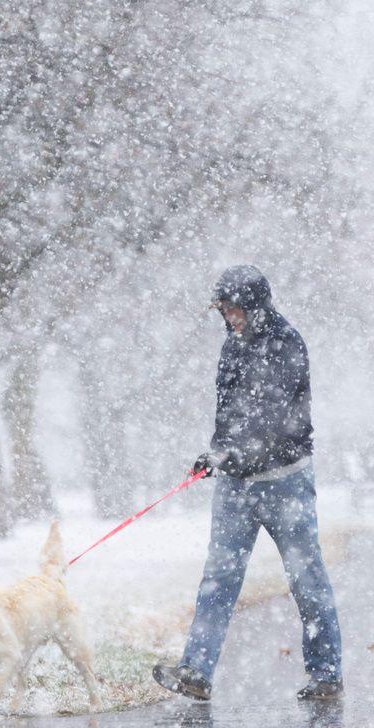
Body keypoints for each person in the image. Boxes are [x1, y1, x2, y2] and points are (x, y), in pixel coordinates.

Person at [153, 265, 343, 701]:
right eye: (224, 311)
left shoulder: (287, 344)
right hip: (236, 488)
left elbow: (276, 421)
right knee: (218, 579)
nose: (230, 318)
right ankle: (196, 672)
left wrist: (238, 454)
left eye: (235, 309)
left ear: (256, 307)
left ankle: (327, 674)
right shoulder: (231, 346)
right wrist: (215, 453)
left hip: (285, 483)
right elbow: (229, 414)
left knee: (306, 579)